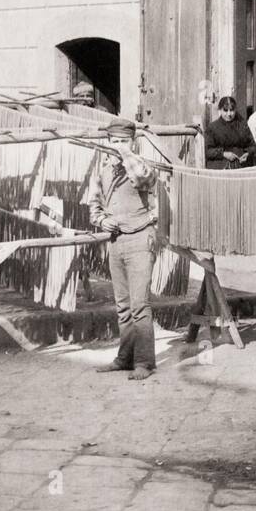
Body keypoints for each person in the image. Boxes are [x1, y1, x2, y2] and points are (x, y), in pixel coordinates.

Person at [88, 118, 159, 379]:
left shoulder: (140, 165)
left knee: (140, 305)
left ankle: (144, 362)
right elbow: (93, 206)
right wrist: (102, 220)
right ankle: (125, 358)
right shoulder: (102, 170)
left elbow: (145, 180)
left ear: (133, 142)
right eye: (114, 141)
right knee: (123, 306)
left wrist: (127, 155)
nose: (117, 146)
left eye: (123, 141)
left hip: (141, 238)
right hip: (116, 242)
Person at [204, 96, 256, 169]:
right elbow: (208, 151)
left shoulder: (242, 125)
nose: (229, 114)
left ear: (235, 110)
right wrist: (223, 154)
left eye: (232, 110)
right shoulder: (213, 128)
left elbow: (253, 146)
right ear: (220, 110)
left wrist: (247, 153)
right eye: (225, 110)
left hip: (241, 166)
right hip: (221, 167)